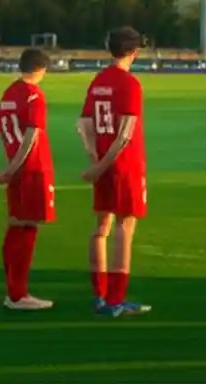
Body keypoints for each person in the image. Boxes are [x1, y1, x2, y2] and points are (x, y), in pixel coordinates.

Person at [79, 27, 151, 317]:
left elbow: (83, 124)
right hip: (123, 165)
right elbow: (125, 134)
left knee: (101, 228)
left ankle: (99, 293)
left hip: (103, 165)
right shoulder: (129, 84)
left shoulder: (98, 81)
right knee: (124, 228)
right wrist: (102, 164)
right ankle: (116, 299)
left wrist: (94, 157)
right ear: (133, 52)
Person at [0, 48, 56, 311]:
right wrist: (14, 169)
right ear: (42, 69)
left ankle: (13, 290)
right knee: (27, 227)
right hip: (30, 169)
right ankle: (18, 295)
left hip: (16, 167)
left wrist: (10, 166)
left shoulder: (9, 93)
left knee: (16, 225)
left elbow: (2, 132)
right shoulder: (34, 96)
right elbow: (32, 135)